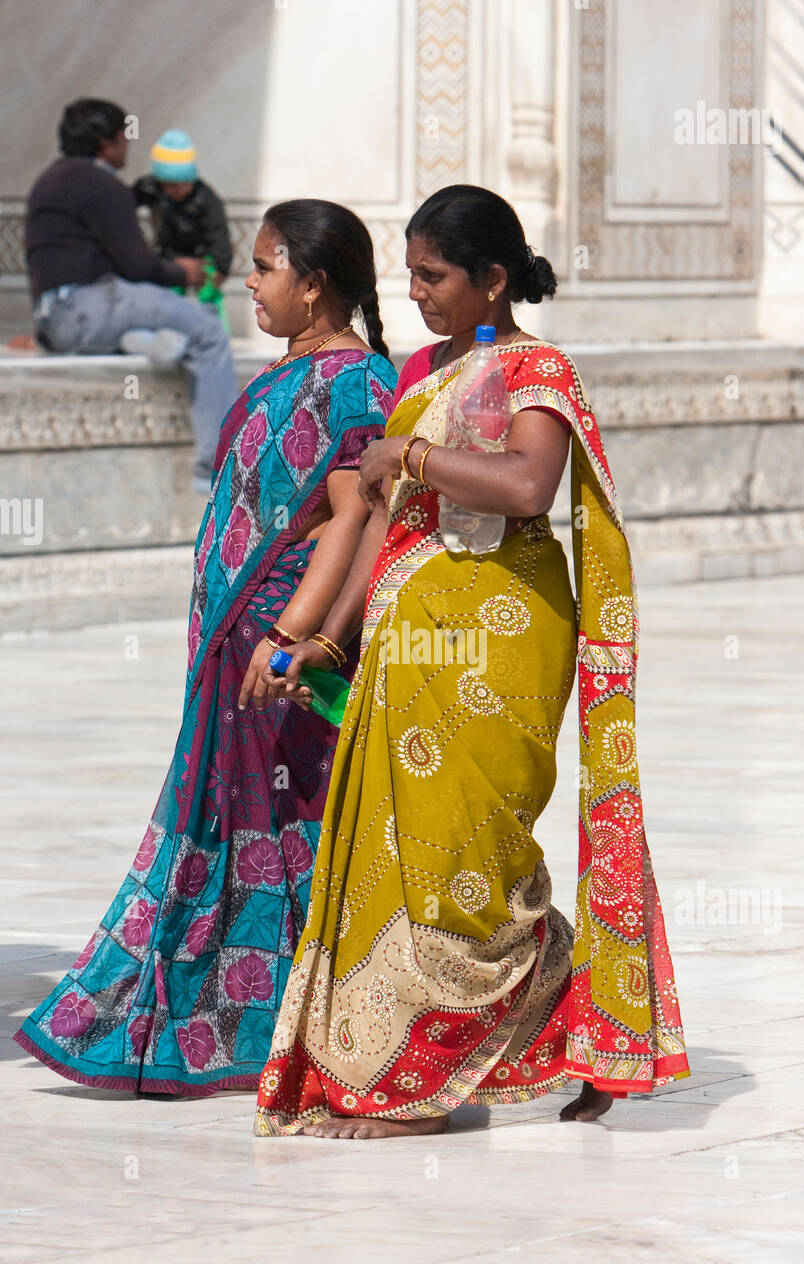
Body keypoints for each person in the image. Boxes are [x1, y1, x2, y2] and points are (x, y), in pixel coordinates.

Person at [254, 184, 690, 1139]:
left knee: (466, 854)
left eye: (435, 275)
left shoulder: (540, 368)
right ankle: (562, 1017)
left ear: (494, 278)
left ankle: (422, 1091)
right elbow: (384, 520)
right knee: (404, 854)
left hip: (500, 637)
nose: (416, 293)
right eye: (410, 275)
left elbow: (529, 485)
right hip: (412, 637)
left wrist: (411, 458)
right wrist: (329, 640)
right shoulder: (419, 374)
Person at [14, 199, 397, 1094]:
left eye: (266, 270)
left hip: (269, 643)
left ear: (317, 284)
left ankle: (287, 1017)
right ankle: (259, 1015)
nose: (249, 284)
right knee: (238, 822)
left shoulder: (357, 382)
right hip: (229, 641)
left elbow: (350, 520)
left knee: (275, 825)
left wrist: (292, 635)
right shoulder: (285, 373)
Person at [25, 99, 237, 492]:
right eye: (124, 136)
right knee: (208, 332)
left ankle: (150, 340)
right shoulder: (104, 185)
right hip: (90, 307)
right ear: (107, 144)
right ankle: (216, 469)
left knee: (158, 324)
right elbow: (138, 268)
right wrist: (184, 272)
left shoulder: (48, 180)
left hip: (53, 322)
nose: (127, 144)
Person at [133, 129, 233, 334]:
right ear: (160, 181)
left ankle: (217, 333)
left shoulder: (205, 199)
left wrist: (221, 268)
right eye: (170, 185)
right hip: (169, 255)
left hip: (203, 257)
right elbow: (123, 204)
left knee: (208, 296)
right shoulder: (150, 189)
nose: (178, 190)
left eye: (184, 184)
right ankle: (164, 332)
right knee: (166, 293)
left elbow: (219, 234)